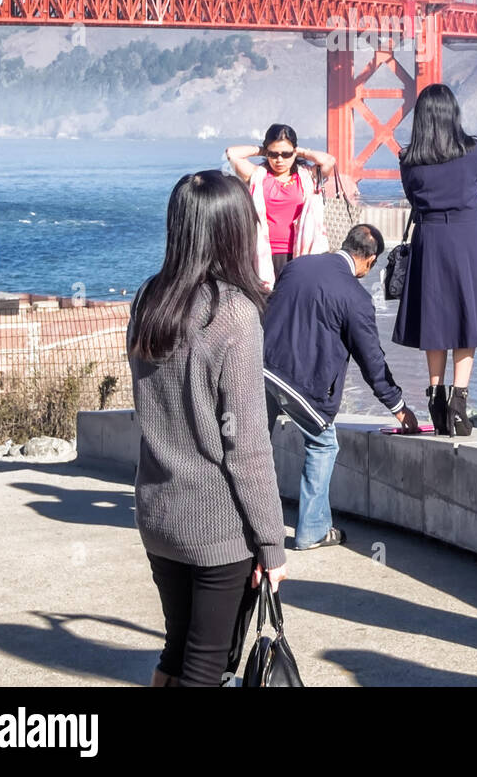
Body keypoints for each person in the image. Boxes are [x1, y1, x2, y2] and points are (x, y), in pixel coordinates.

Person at [127, 170, 286, 688]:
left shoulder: (149, 301)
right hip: (215, 526)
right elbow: (248, 450)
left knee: (176, 651)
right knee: (207, 664)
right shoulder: (234, 315)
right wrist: (271, 545)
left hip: (157, 513)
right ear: (231, 231)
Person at [263, 224, 421, 549]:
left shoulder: (298, 265)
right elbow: (372, 362)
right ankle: (312, 531)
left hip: (261, 370)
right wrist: (399, 408)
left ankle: (243, 520)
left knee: (255, 446)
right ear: (370, 259)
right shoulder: (356, 298)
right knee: (323, 445)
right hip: (303, 387)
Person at [391, 83, 477, 436]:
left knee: (435, 320)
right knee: (466, 318)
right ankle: (459, 404)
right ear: (453, 114)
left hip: (430, 239)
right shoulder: (473, 149)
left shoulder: (408, 158)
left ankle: (435, 394)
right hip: (469, 237)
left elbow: (413, 198)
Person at [225, 124, 335, 287]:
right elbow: (232, 153)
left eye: (286, 154)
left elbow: (329, 160)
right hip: (263, 254)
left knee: (296, 305)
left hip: (301, 253)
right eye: (273, 154)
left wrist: (300, 151)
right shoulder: (257, 175)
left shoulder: (307, 176)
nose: (279, 160)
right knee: (266, 306)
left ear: (294, 152)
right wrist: (263, 149)